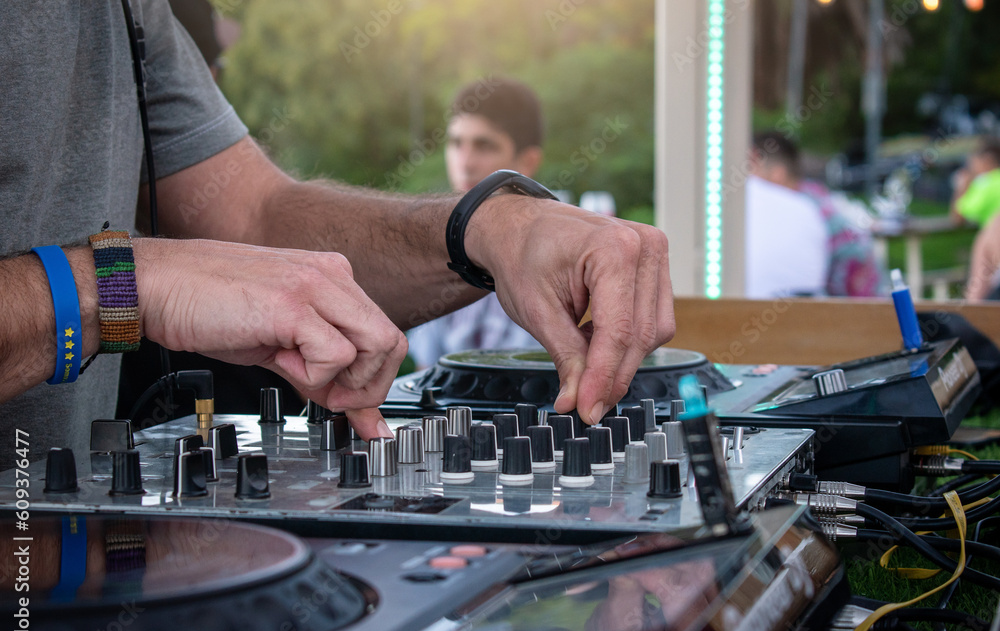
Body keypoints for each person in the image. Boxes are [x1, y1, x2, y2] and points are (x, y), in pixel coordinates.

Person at [0, 3, 674, 472]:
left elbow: (258, 217)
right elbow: (161, 271)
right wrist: (121, 285)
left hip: (61, 562)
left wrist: (484, 226)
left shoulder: (131, 12)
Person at [407, 78, 545, 369]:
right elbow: (429, 377)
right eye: (456, 143)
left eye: (484, 145)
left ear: (527, 162)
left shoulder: (555, 253)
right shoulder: (435, 250)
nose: (465, 162)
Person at [750, 132, 884, 297]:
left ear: (778, 173)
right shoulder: (814, 202)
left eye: (750, 169)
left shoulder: (814, 209)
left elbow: (858, 260)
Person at [951, 137, 1000, 227]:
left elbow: (957, 218)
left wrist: (962, 187)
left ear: (987, 161)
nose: (971, 169)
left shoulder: (985, 183)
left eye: (973, 163)